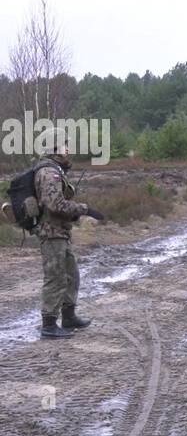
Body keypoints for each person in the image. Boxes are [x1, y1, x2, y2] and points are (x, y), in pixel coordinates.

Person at [33, 145, 104, 339]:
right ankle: (48, 324)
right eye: (64, 145)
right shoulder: (48, 172)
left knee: (72, 275)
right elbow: (55, 204)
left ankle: (69, 316)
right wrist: (83, 209)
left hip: (61, 232)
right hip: (51, 233)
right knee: (55, 278)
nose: (68, 149)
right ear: (53, 147)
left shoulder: (56, 170)